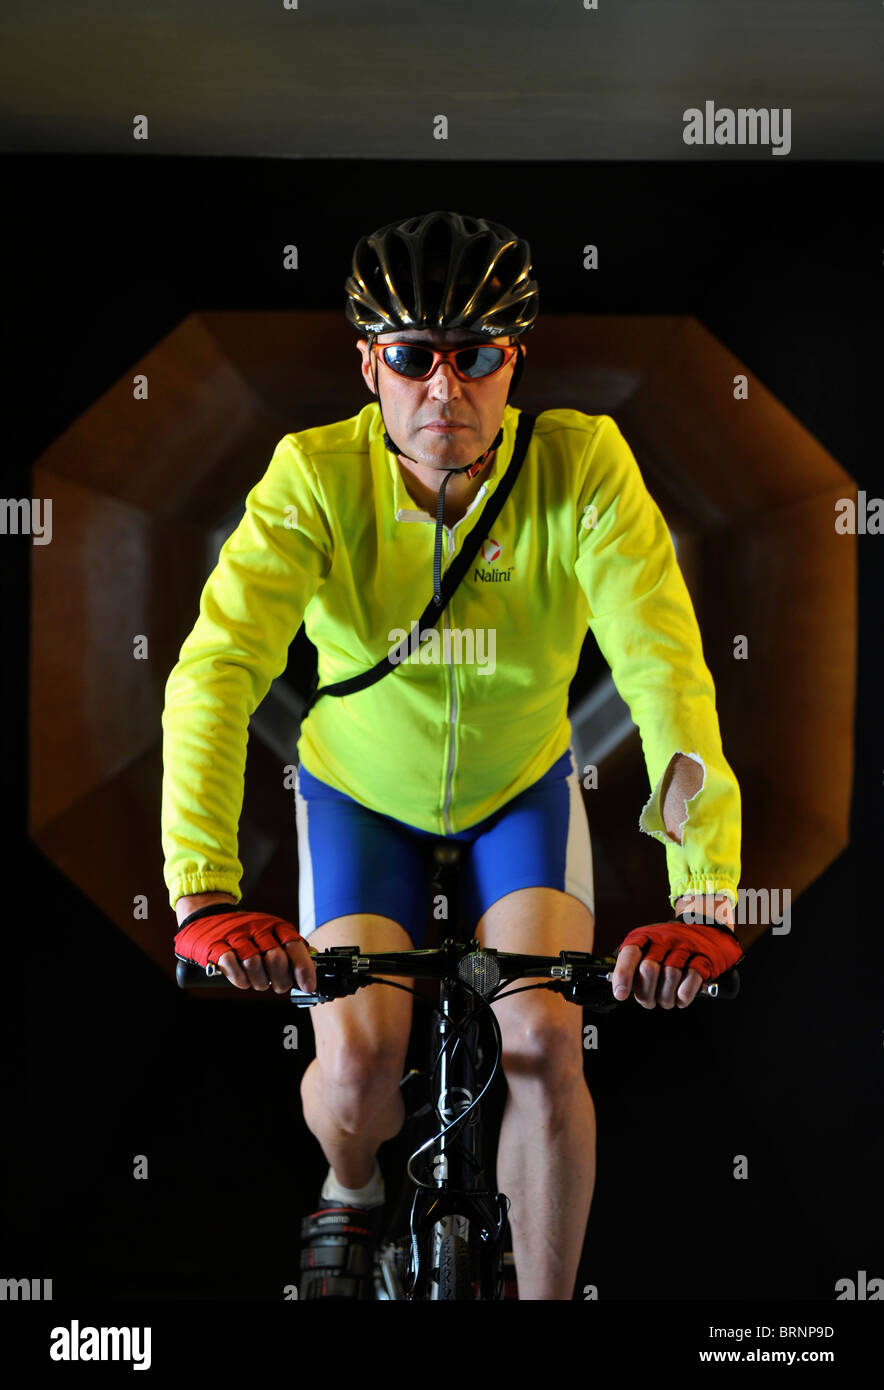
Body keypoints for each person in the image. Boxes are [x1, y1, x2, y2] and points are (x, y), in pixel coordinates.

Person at [163, 210, 743, 1301]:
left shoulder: (582, 465)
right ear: (366, 365)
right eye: (412, 356)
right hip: (358, 793)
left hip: (516, 786)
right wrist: (201, 889)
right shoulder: (311, 478)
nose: (444, 387)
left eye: (475, 355)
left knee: (541, 1044)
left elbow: (663, 673)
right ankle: (351, 1189)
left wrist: (701, 892)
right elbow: (214, 674)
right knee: (358, 1061)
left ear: (512, 362)